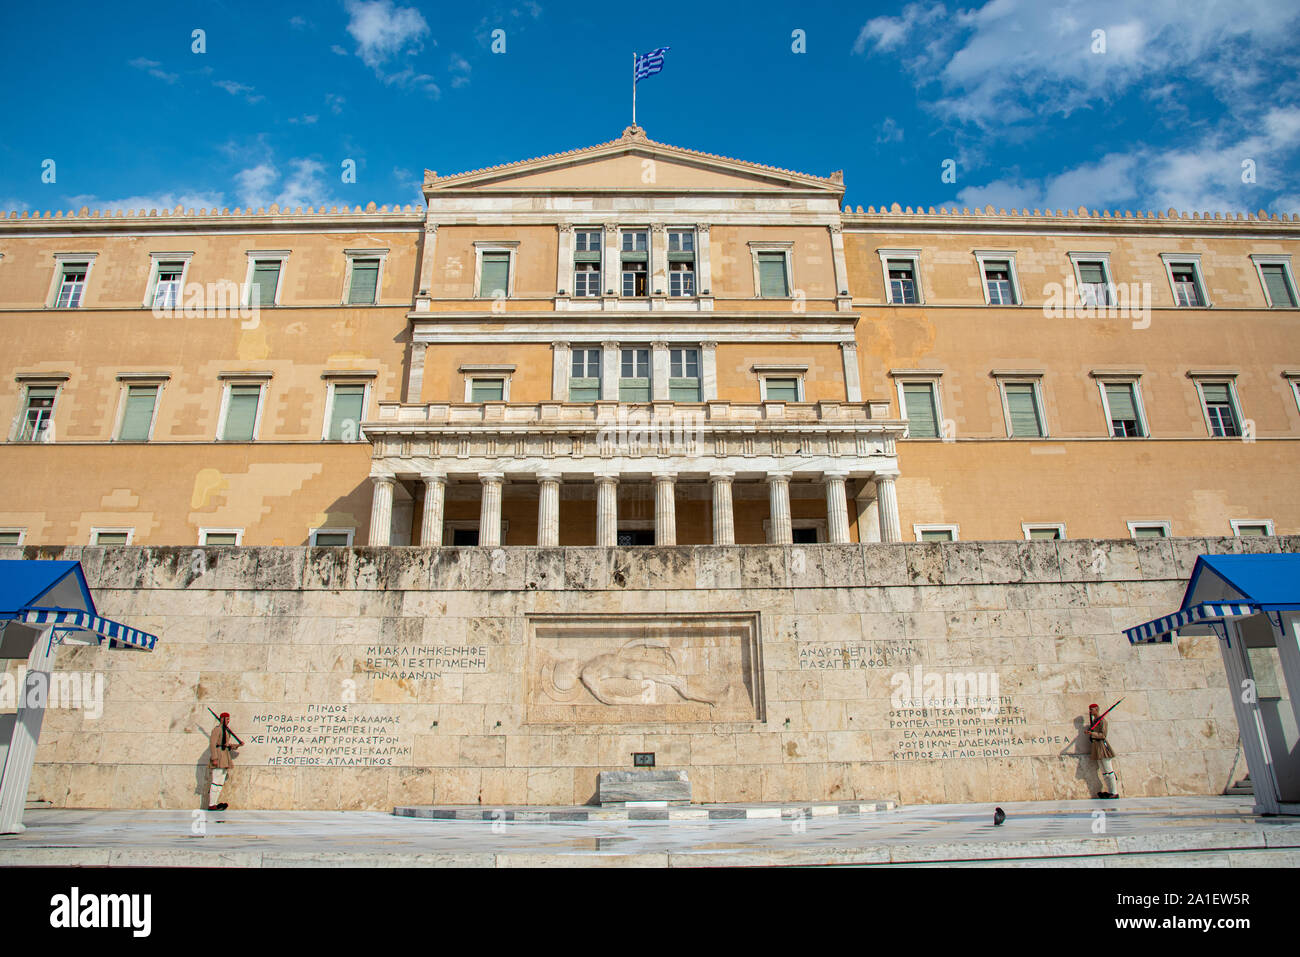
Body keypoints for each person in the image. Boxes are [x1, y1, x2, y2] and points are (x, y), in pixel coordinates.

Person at [207, 712, 241, 810]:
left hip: (225, 756)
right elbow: (213, 744)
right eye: (226, 719)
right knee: (215, 780)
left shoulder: (226, 731)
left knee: (220, 781)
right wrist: (214, 758)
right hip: (219, 755)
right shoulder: (217, 730)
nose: (228, 721)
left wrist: (237, 745)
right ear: (222, 719)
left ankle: (215, 803)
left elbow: (226, 745)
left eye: (229, 719)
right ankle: (211, 804)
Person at [1088, 703, 1118, 799]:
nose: (1090, 711)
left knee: (1109, 771)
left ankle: (1114, 792)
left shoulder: (1102, 721)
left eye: (1092, 709)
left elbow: (1103, 735)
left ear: (1096, 709)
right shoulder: (1094, 721)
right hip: (1096, 747)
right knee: (1104, 772)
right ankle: (1110, 791)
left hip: (1102, 747)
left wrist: (1092, 734)